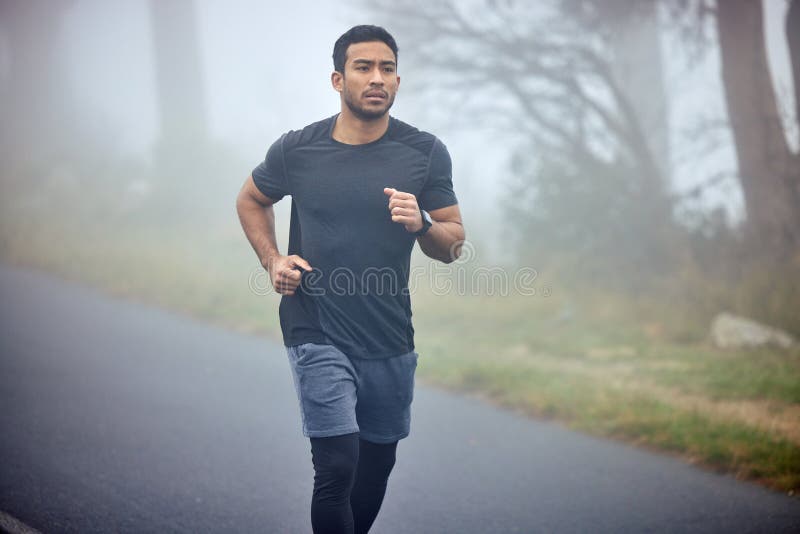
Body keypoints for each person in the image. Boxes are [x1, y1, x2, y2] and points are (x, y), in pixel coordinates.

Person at [236, 24, 464, 534]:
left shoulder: (423, 152)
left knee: (375, 468)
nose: (376, 78)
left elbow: (453, 244)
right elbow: (251, 198)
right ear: (338, 80)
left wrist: (423, 223)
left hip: (389, 335)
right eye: (363, 67)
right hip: (314, 324)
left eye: (386, 68)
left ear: (398, 81)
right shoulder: (298, 150)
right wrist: (272, 258)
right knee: (338, 464)